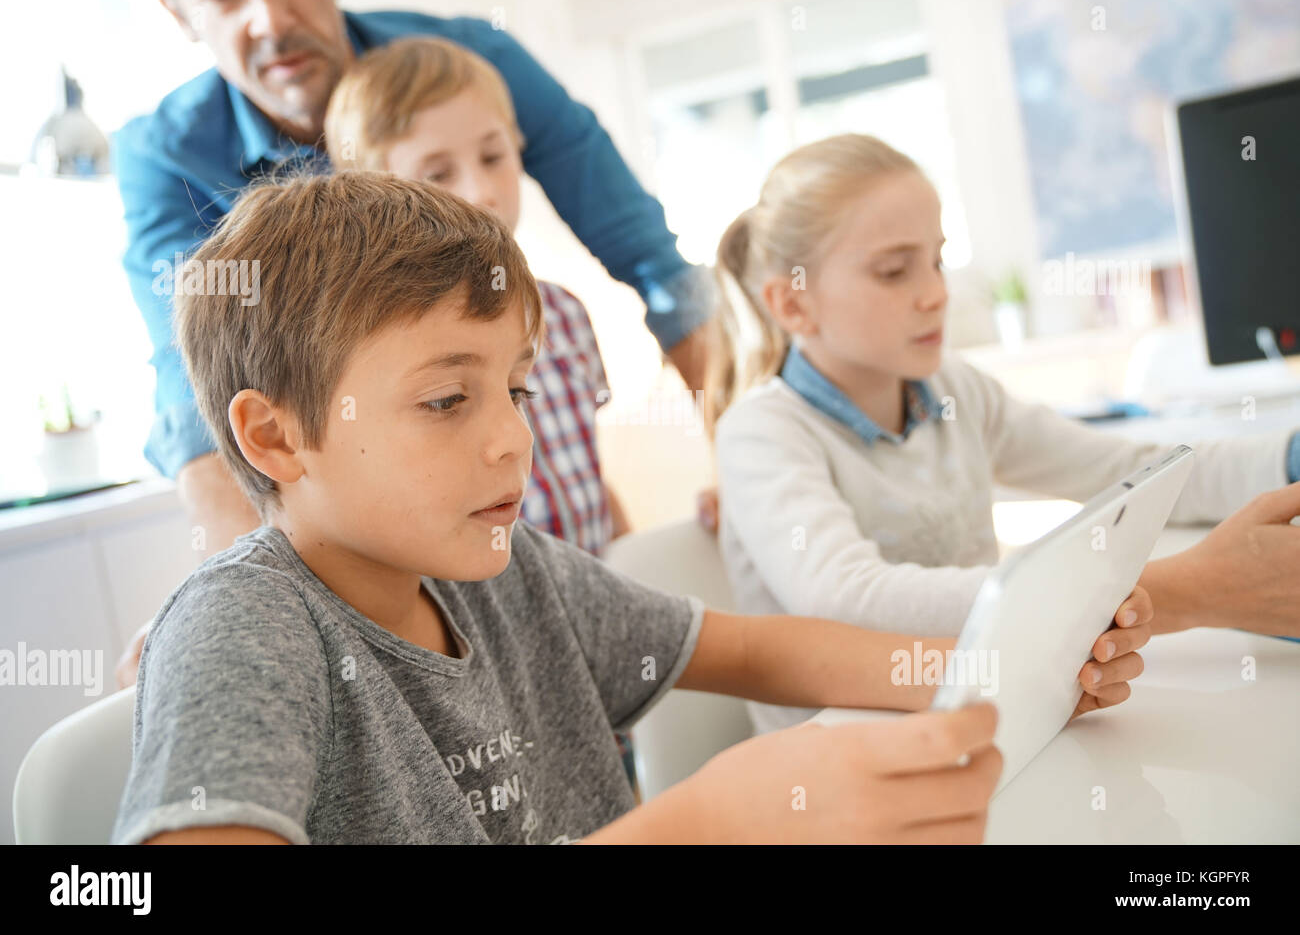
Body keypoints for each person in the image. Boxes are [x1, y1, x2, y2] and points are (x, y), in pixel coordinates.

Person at [111, 172, 1151, 843]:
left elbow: (757, 652)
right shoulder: (242, 629)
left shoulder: (510, 572)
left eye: (515, 389)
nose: (510, 436)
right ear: (276, 436)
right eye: (445, 399)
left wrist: (1002, 662)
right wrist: (696, 828)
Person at [705, 133, 1300, 735]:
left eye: (937, 261)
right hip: (839, 762)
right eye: (893, 271)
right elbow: (848, 601)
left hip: (987, 721)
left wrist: (1289, 459)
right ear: (793, 304)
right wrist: (1180, 590)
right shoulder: (762, 433)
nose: (937, 294)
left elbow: (1123, 467)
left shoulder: (953, 389)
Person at [117, 0, 715, 559]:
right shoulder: (165, 153)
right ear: (178, 13)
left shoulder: (476, 61)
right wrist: (243, 600)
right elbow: (191, 380)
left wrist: (750, 476)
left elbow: (659, 269)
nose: (270, 18)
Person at [323, 34, 639, 786]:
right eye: (438, 171)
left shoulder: (567, 313)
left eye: (495, 157)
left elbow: (585, 475)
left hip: (588, 646)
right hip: (485, 674)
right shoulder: (375, 363)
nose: (483, 188)